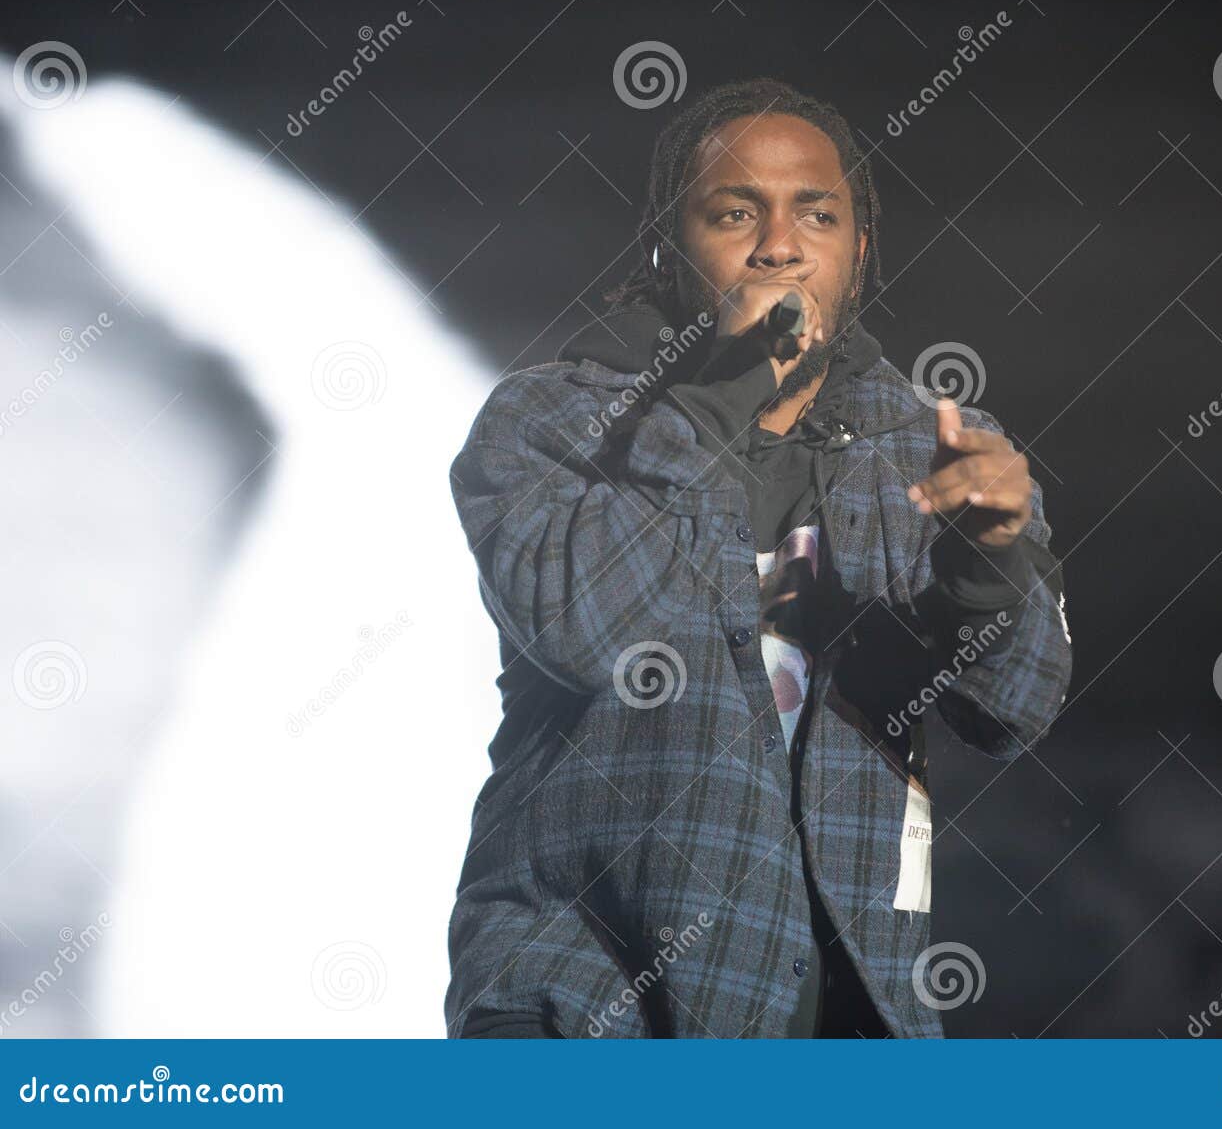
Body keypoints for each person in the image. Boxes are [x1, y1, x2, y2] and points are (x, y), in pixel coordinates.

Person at [444, 77, 1072, 1038]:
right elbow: (578, 626)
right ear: (667, 249)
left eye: (816, 213)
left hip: (848, 1010)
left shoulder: (934, 444)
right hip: (580, 997)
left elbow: (1015, 707)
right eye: (736, 212)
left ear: (860, 250)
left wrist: (988, 559)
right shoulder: (554, 418)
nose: (780, 245)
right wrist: (715, 406)